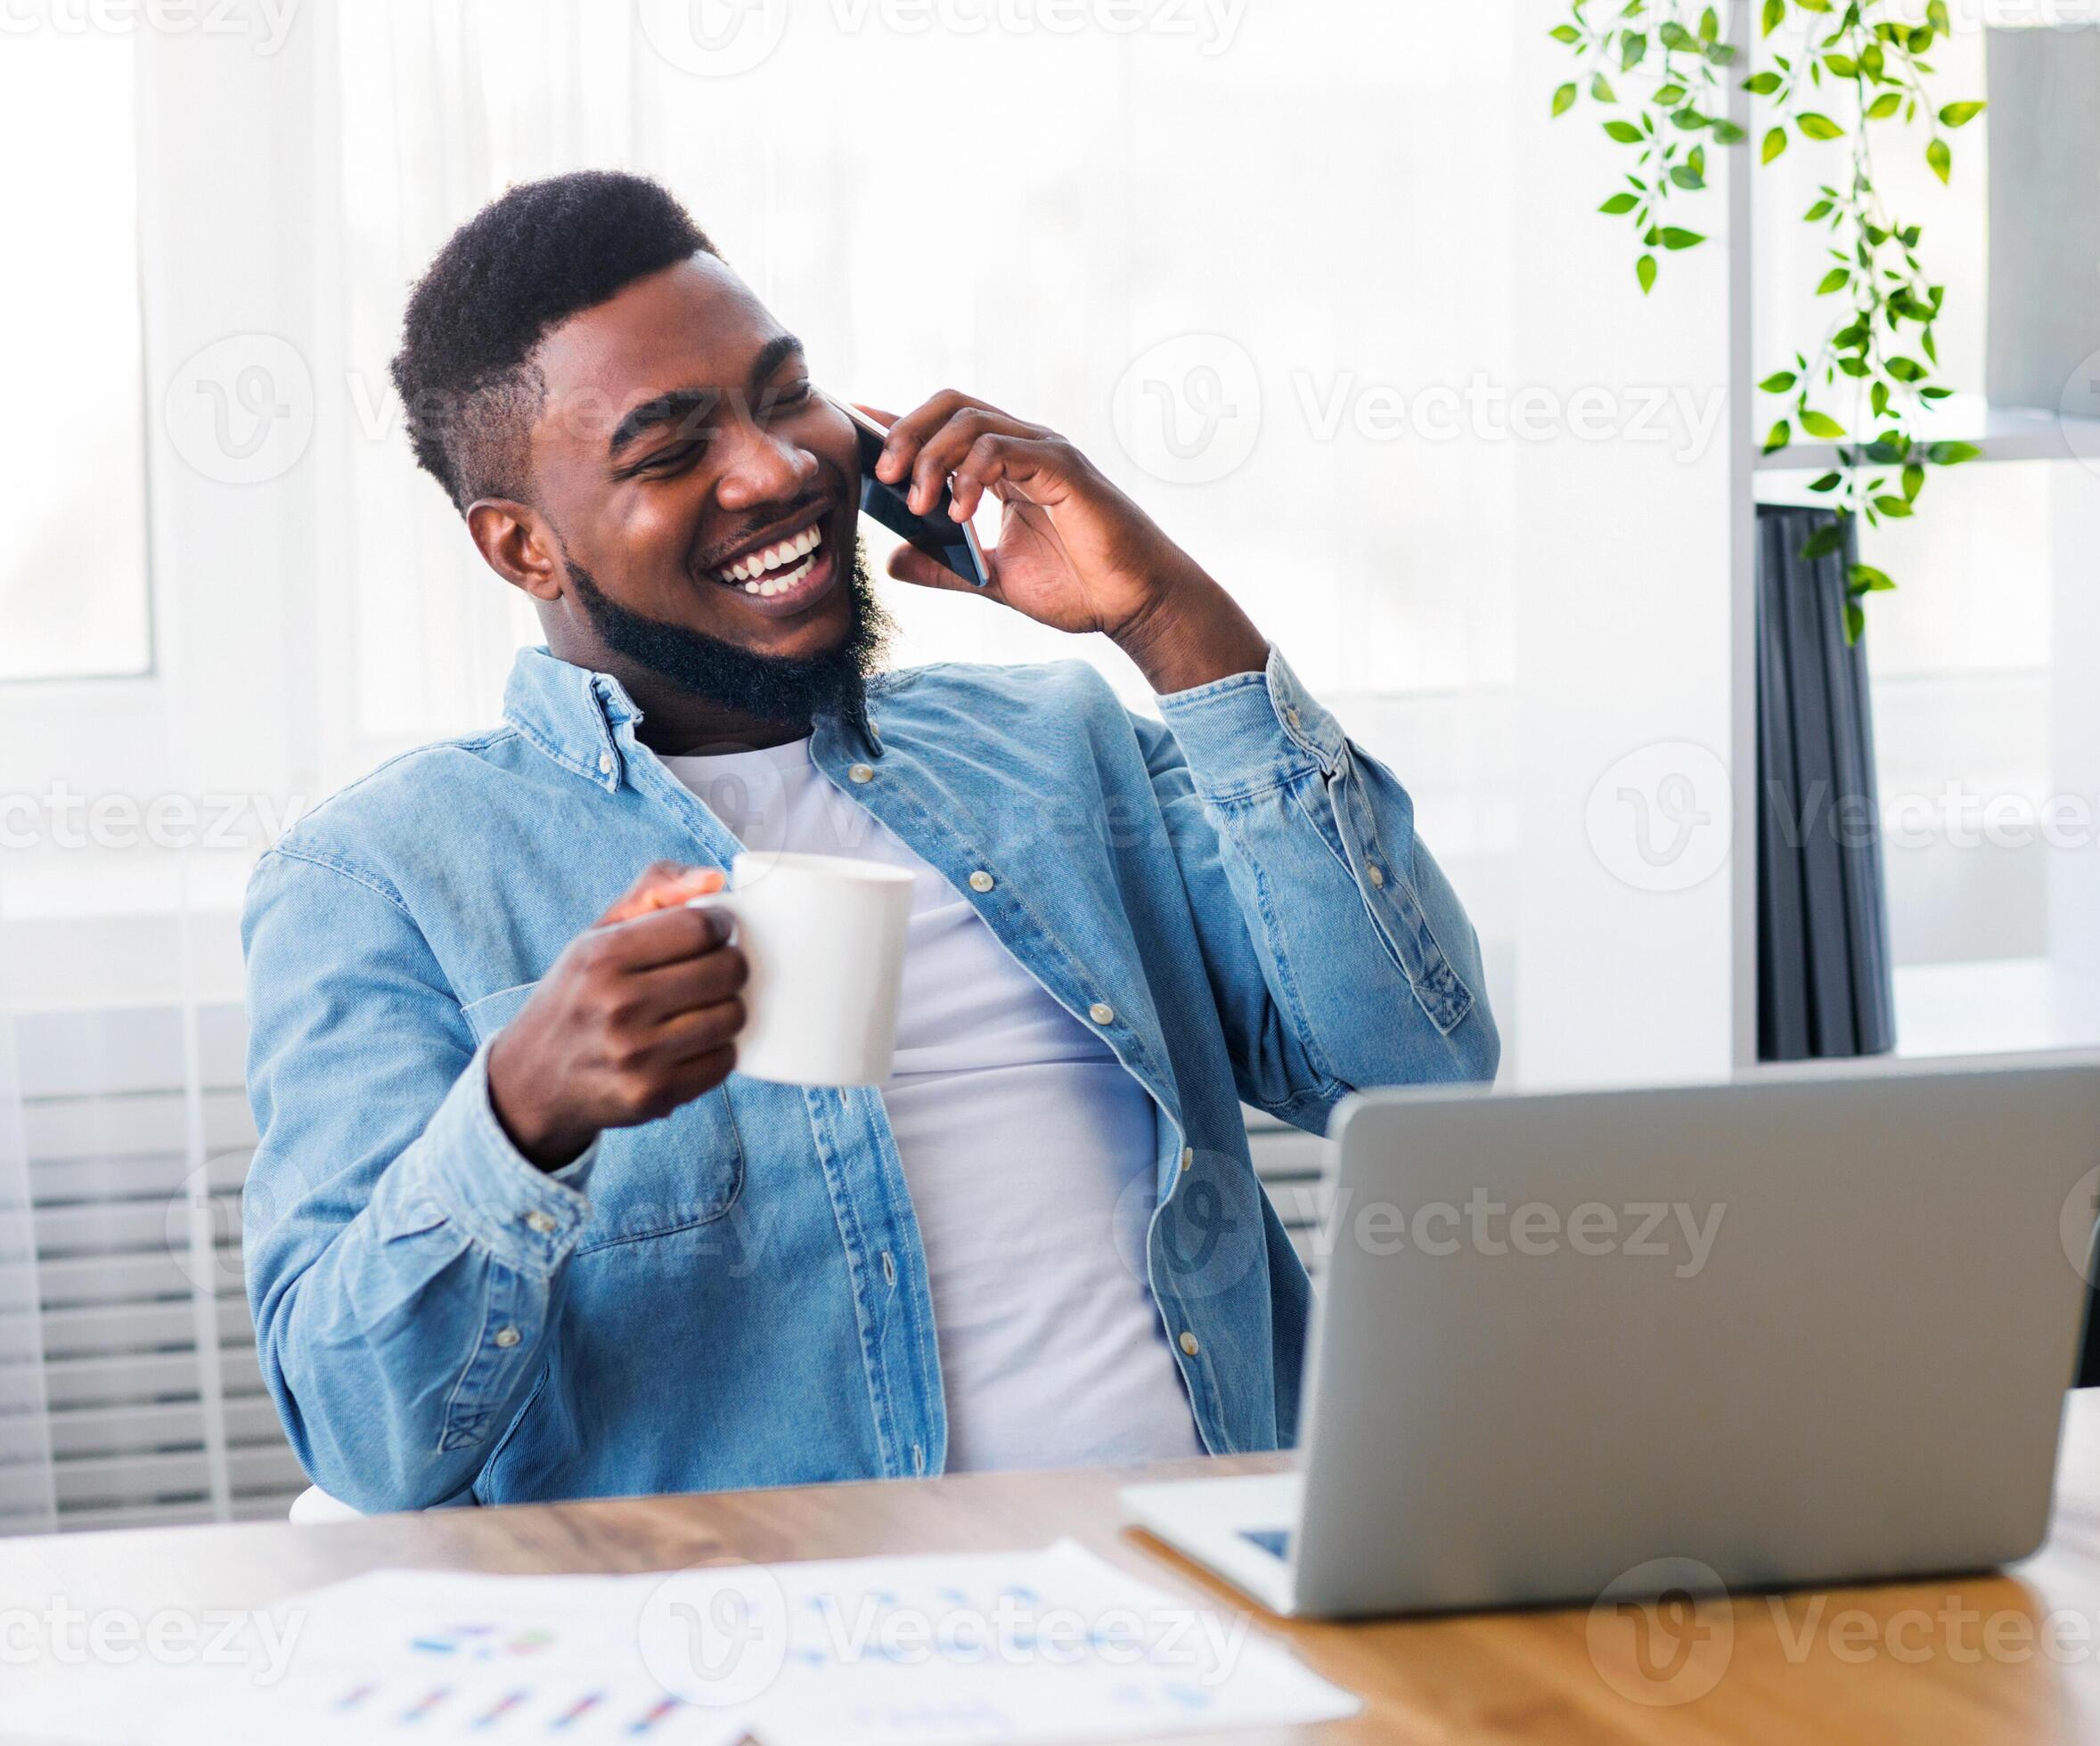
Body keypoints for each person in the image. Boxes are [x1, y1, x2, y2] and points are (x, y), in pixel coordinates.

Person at [240, 171, 1496, 1511]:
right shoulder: (382, 878)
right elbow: (366, 1439)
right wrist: (523, 1114)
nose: (776, 469)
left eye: (783, 394)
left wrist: (1170, 620)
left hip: (1204, 1609)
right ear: (523, 549)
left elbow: (1411, 1068)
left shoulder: (1059, 745)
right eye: (671, 453)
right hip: (771, 1664)